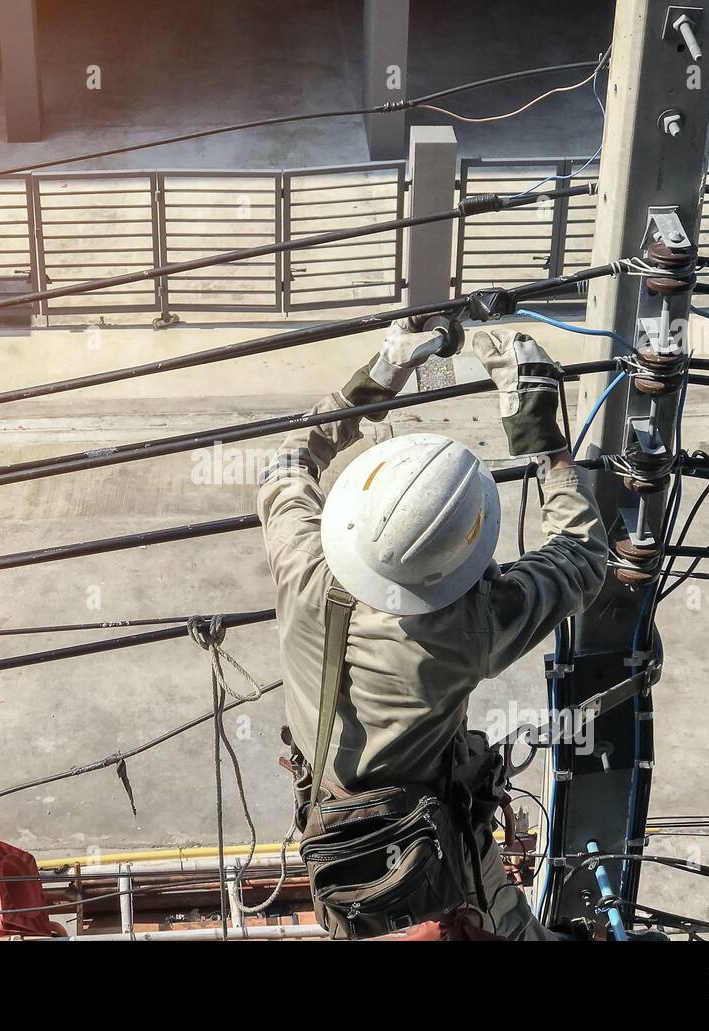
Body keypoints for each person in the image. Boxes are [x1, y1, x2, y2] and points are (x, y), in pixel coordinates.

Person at [257, 319, 608, 939]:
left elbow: (289, 461)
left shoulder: (302, 566)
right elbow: (581, 555)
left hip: (338, 836)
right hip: (432, 856)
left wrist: (382, 372)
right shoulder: (467, 628)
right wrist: (543, 439)